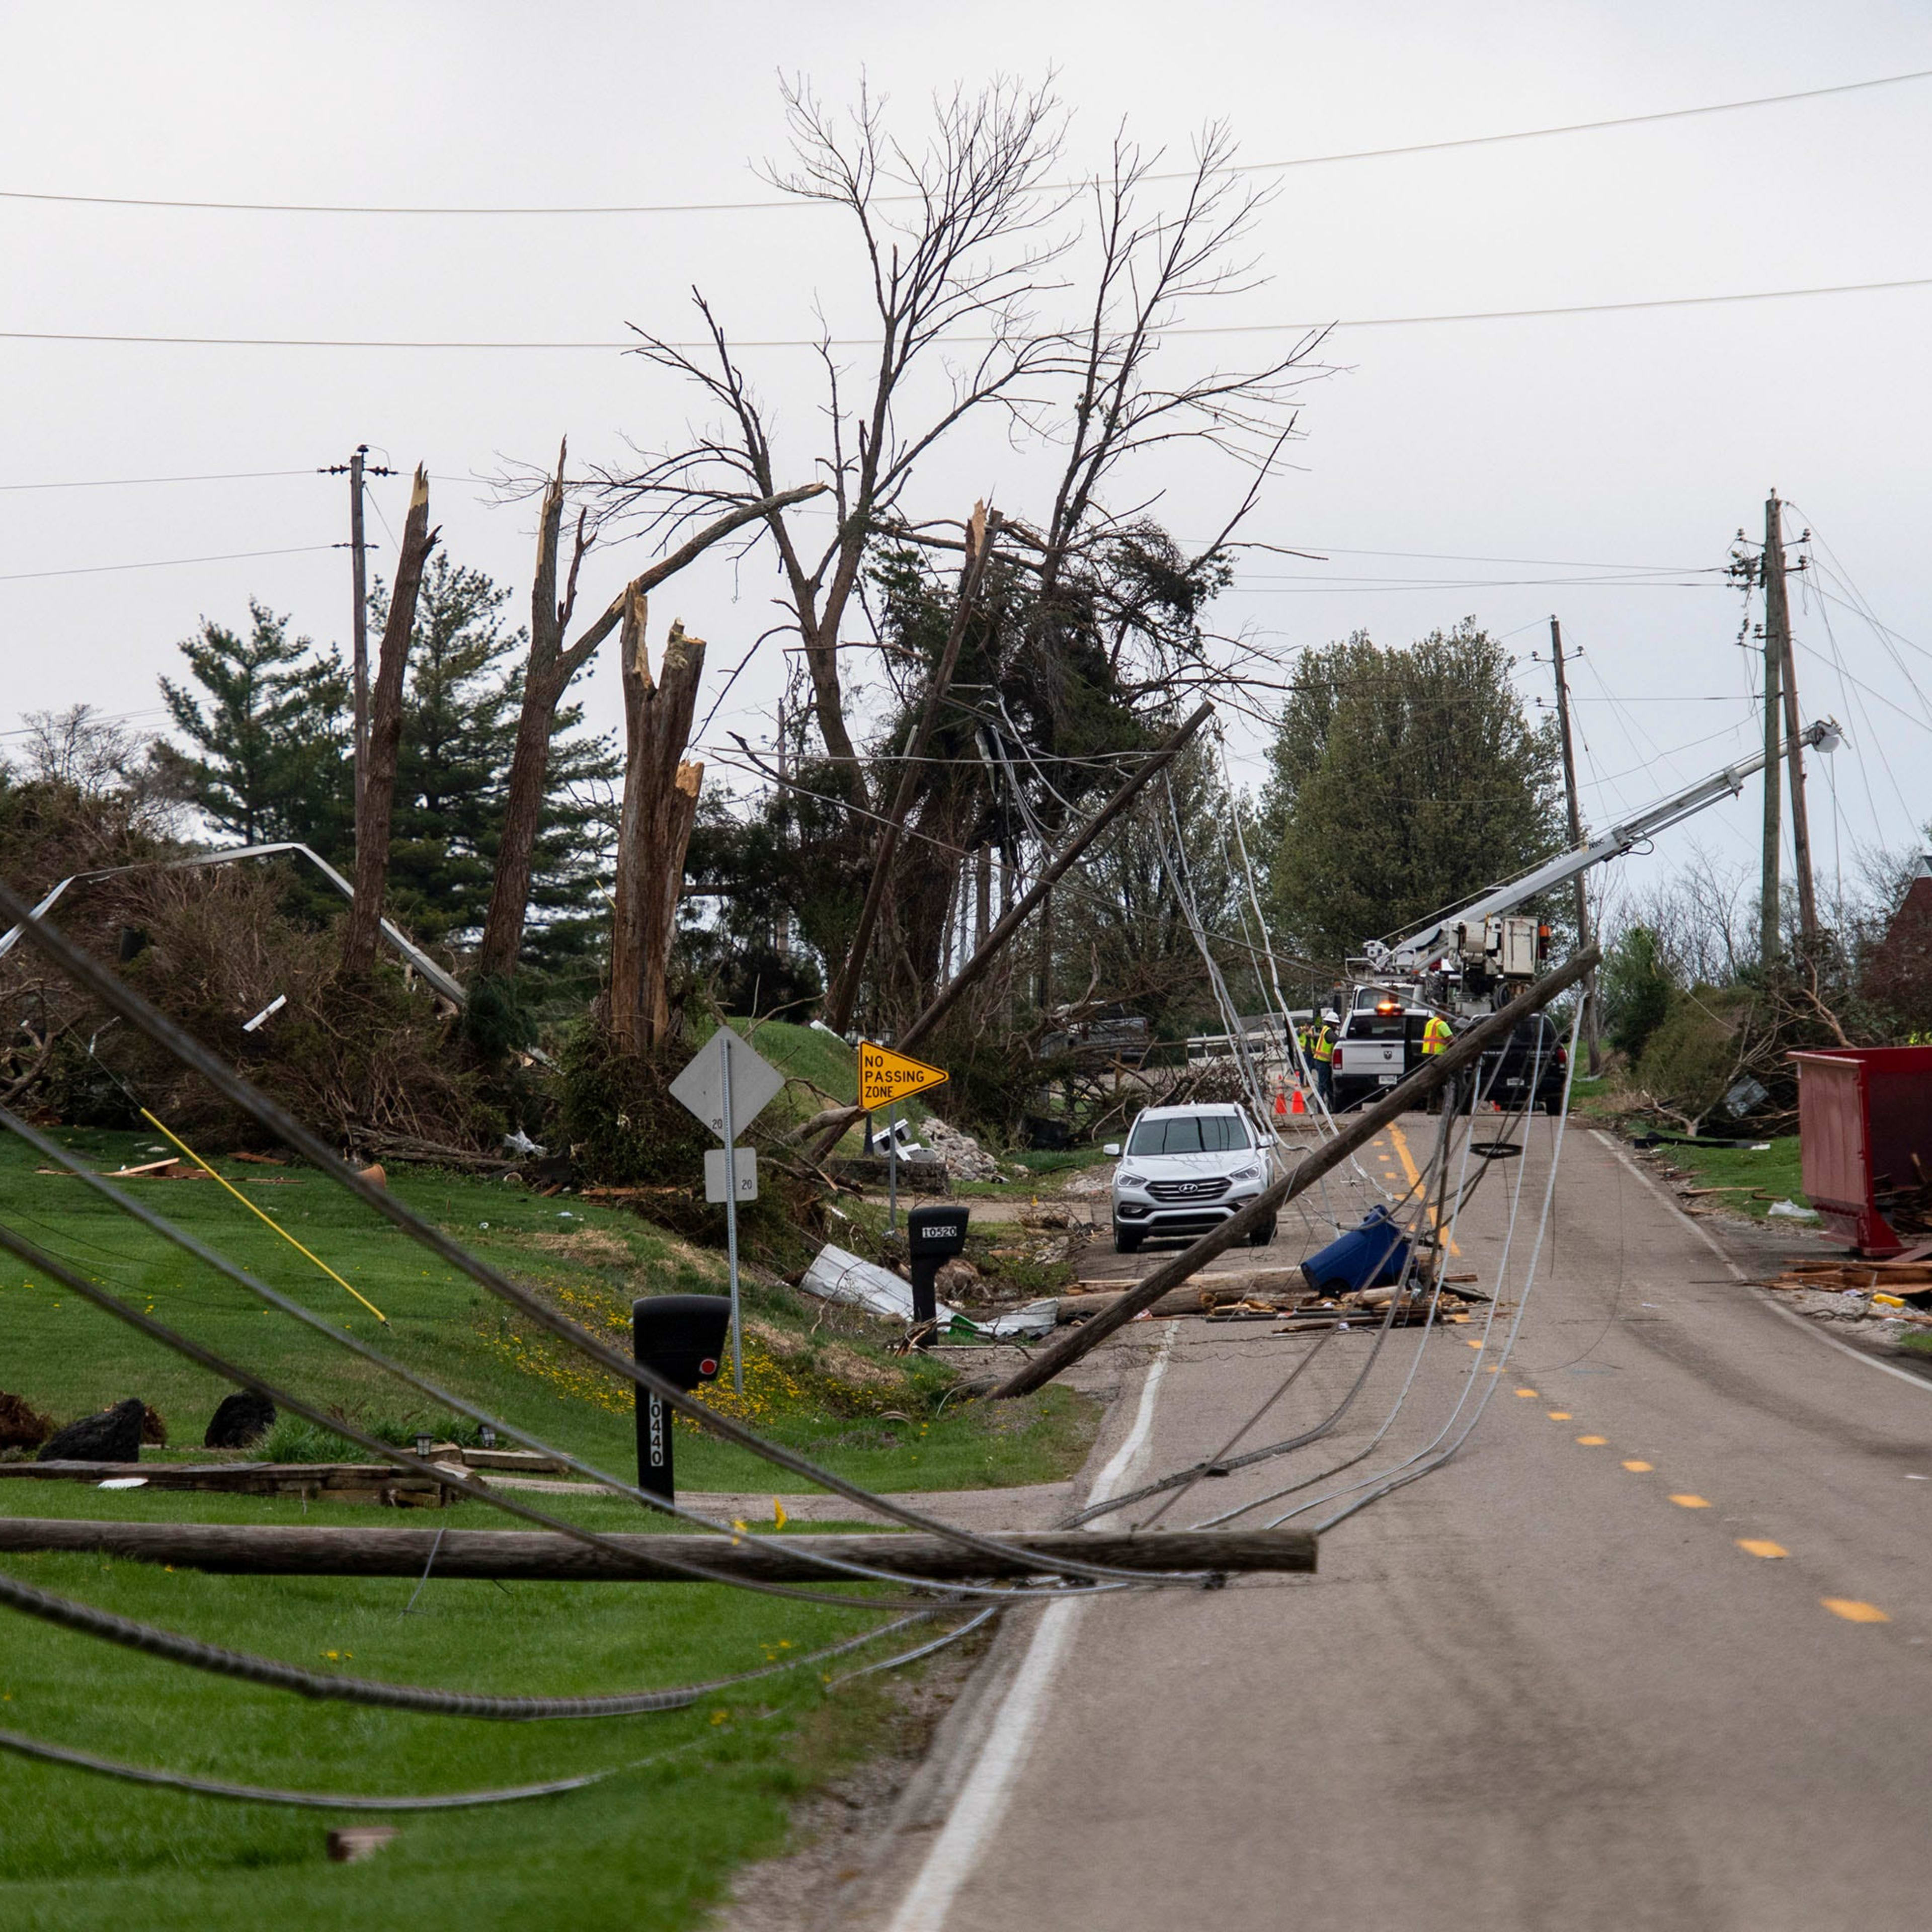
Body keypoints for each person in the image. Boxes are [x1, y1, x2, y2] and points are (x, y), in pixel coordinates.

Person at [1312, 1008, 1337, 1108]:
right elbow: (1334, 1039)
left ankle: (1332, 1107)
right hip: (1322, 1062)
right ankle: (1320, 1107)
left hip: (1323, 1062)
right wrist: (1342, 1040)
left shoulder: (1326, 1030)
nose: (1336, 1026)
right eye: (1335, 1024)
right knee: (1323, 1085)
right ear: (1331, 1023)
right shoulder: (1328, 1031)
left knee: (1328, 1085)